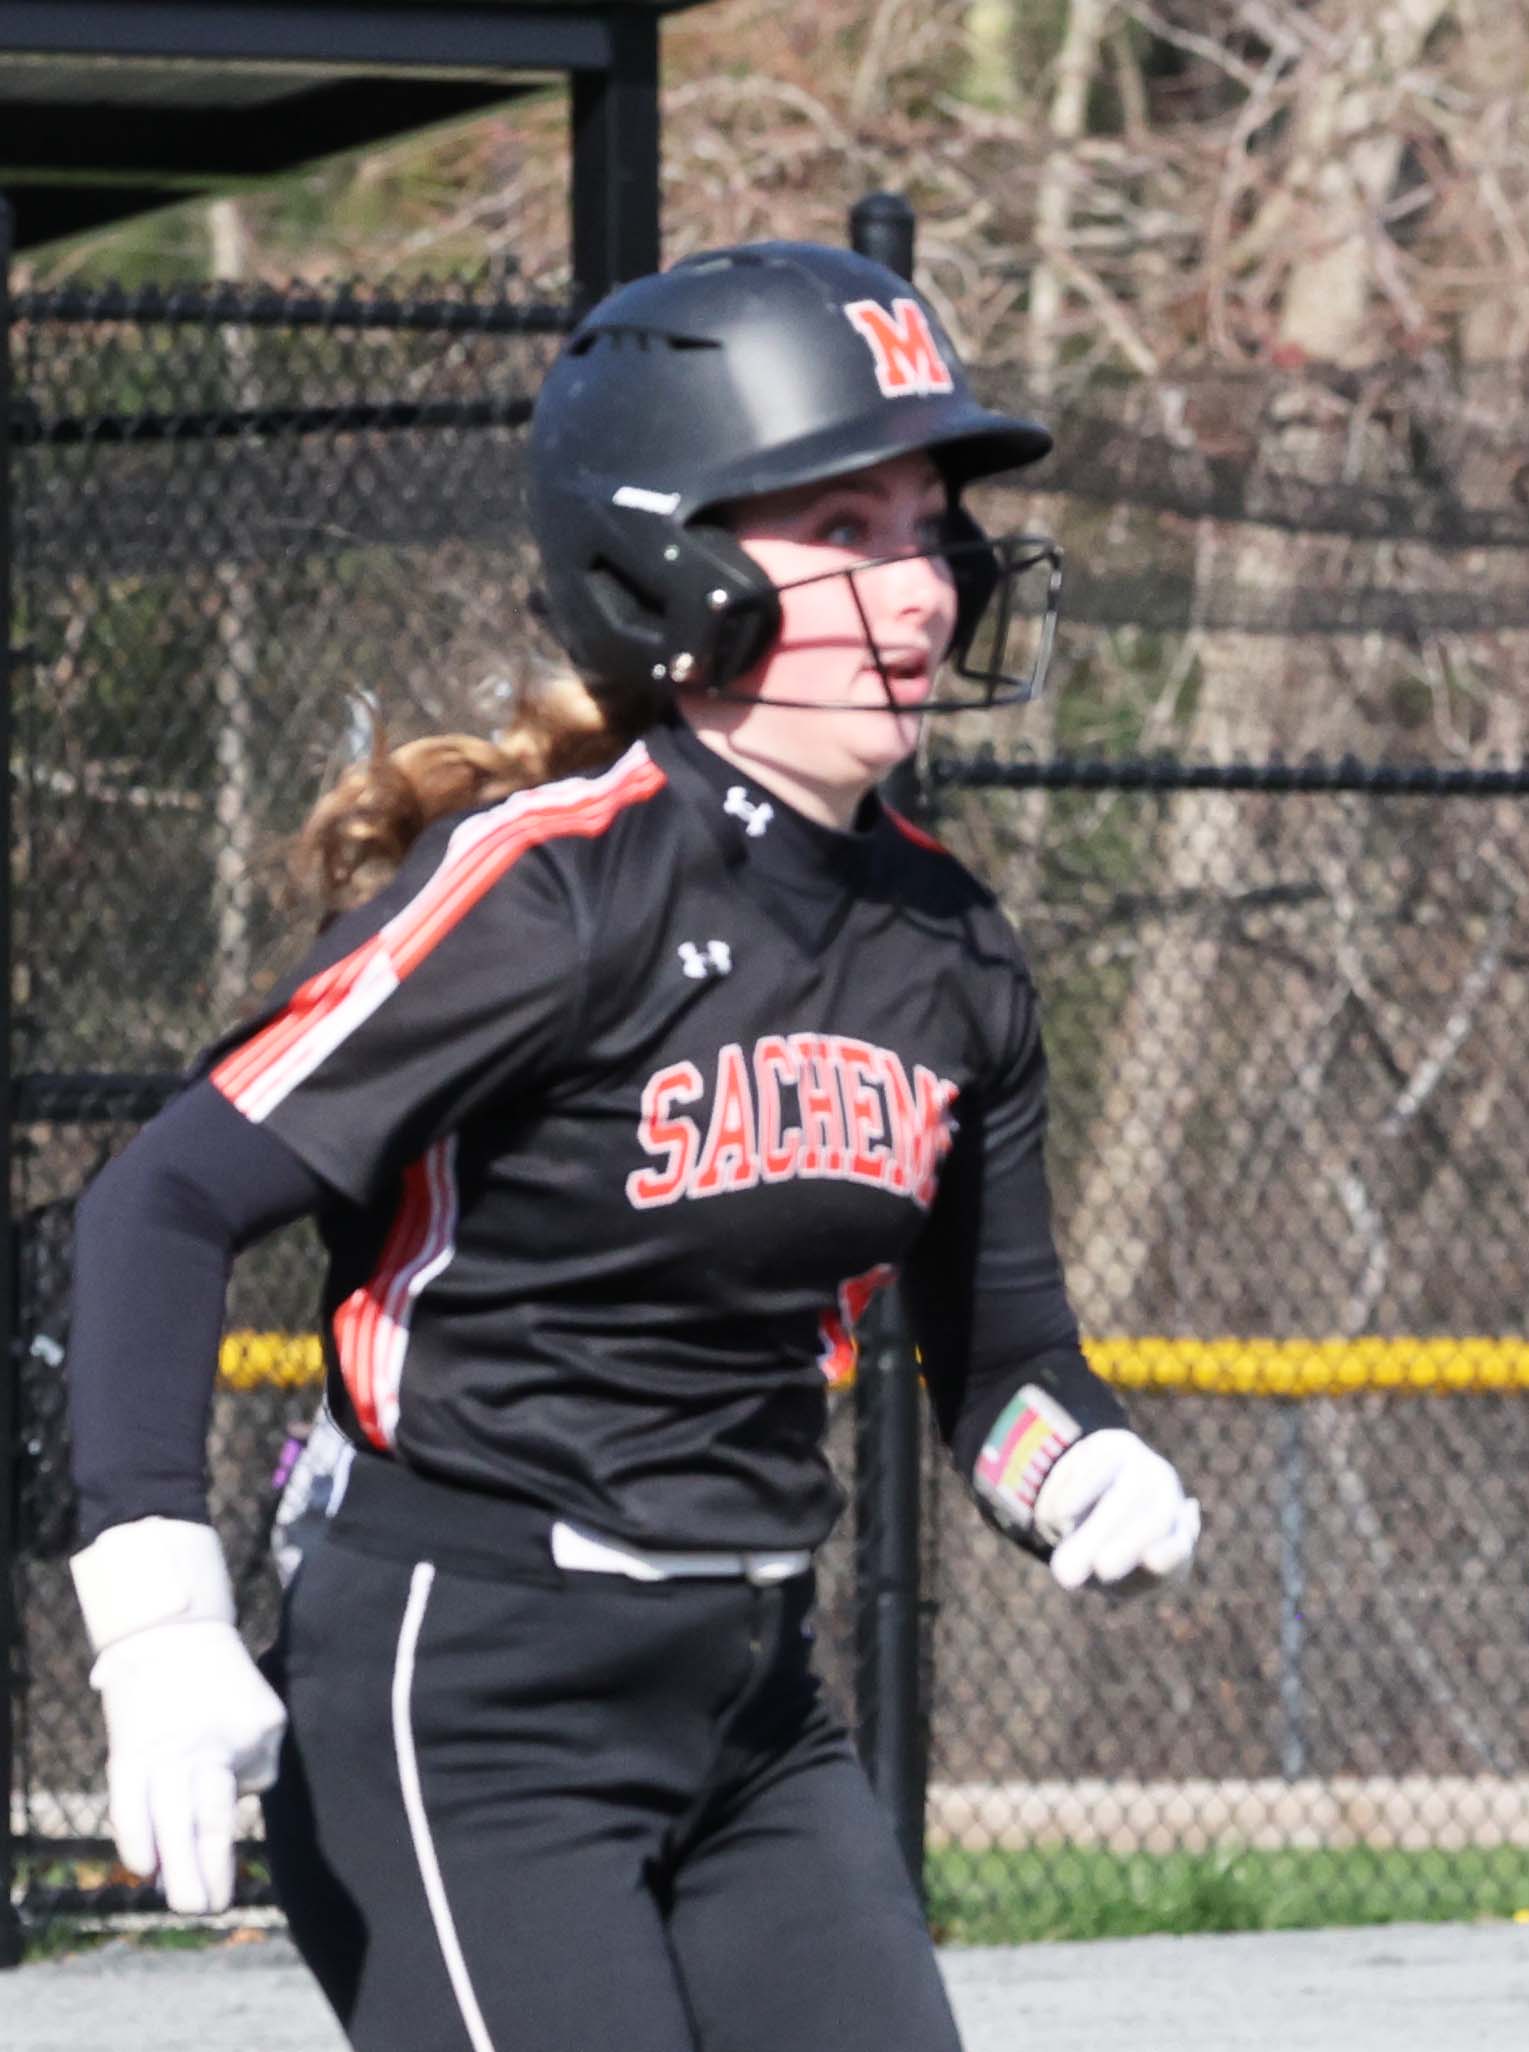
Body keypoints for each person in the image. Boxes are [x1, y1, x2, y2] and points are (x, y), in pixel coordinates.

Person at [61, 241, 1198, 2052]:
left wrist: (1081, 1466)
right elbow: (164, 1199)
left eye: (932, 529)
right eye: (848, 528)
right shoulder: (555, 887)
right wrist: (154, 1617)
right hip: (468, 1693)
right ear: (673, 566)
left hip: (747, 1700)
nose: (924, 589)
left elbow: (1003, 1364)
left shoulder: (951, 949)